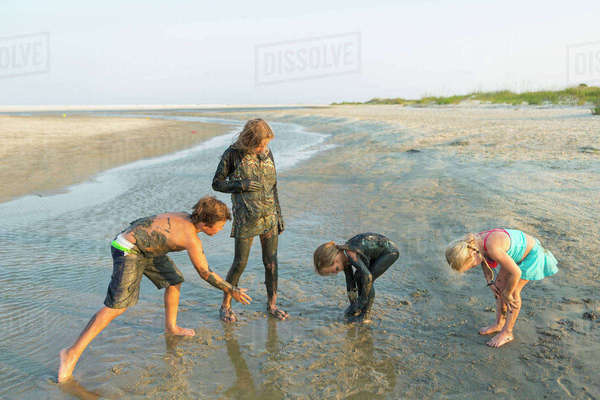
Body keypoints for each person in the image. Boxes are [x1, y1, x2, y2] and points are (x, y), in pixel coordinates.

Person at [58, 196, 252, 383]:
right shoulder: (190, 238)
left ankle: (171, 327)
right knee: (117, 306)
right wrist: (231, 290)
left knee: (174, 280)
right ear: (205, 223)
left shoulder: (185, 217)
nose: (221, 229)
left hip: (146, 247)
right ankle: (71, 353)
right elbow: (204, 271)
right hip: (128, 248)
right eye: (221, 225)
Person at [212, 119, 287, 322]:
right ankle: (225, 306)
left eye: (266, 144)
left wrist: (279, 216)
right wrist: (241, 184)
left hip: (269, 216)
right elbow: (217, 183)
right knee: (240, 263)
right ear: (248, 140)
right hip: (246, 218)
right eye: (260, 144)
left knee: (271, 263)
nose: (264, 148)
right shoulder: (233, 154)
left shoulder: (267, 152)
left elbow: (274, 186)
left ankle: (272, 305)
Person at [445, 228, 558, 348]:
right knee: (499, 287)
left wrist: (507, 294)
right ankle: (499, 324)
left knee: (513, 293)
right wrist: (490, 282)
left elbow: (516, 273)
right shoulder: (474, 245)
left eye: (472, 265)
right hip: (514, 254)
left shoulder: (493, 249)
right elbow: (483, 261)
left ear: (473, 254)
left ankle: (507, 332)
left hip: (531, 255)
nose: (473, 267)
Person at [313, 233, 399, 323]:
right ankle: (360, 310)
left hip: (389, 252)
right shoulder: (344, 259)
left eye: (336, 269)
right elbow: (350, 283)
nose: (336, 272)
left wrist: (361, 301)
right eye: (332, 273)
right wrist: (353, 305)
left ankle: (365, 315)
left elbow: (368, 277)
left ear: (336, 257)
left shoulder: (350, 254)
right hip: (376, 253)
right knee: (358, 277)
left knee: (365, 279)